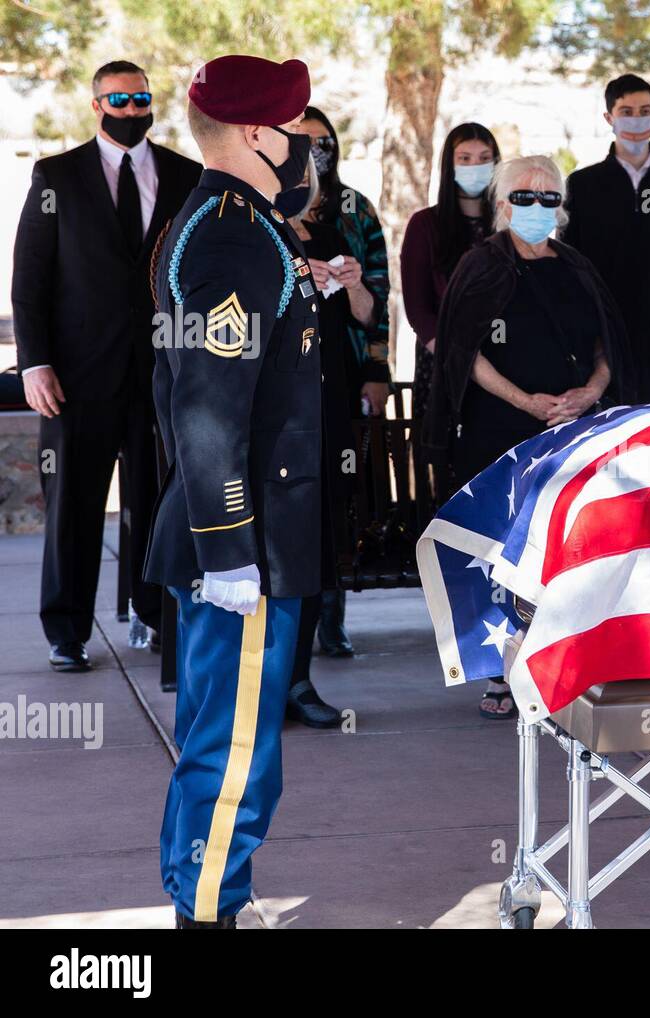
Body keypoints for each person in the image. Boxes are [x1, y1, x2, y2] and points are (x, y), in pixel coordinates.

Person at [148, 54, 322, 928]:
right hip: (241, 542)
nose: (302, 143)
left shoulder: (227, 222)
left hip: (240, 533)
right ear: (258, 133)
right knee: (235, 754)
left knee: (221, 742)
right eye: (293, 126)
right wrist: (229, 551)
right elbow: (208, 407)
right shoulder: (232, 233)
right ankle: (212, 909)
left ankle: (208, 894)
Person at [422, 155, 632, 719]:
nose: (537, 208)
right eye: (524, 197)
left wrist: (590, 391)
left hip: (571, 426)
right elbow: (466, 354)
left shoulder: (577, 267)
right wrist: (525, 402)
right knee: (503, 549)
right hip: (500, 427)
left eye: (548, 199)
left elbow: (608, 342)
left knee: (565, 547)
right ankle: (500, 671)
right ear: (501, 204)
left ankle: (564, 661)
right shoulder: (480, 266)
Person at [11, 60, 201, 673]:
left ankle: (153, 613)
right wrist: (34, 364)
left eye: (140, 97)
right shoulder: (55, 177)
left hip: (162, 374)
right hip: (75, 377)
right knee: (74, 503)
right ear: (97, 105)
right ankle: (66, 630)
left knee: (156, 498)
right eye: (117, 99)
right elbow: (29, 280)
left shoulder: (185, 175)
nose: (130, 109)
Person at [281, 160, 376, 727]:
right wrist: (297, 279)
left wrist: (354, 282)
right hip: (274, 413)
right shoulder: (252, 237)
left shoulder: (332, 236)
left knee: (318, 543)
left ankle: (298, 681)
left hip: (327, 404)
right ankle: (259, 684)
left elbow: (365, 317)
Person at [299, 106, 391, 653]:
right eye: (305, 143)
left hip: (345, 372)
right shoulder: (265, 214)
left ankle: (331, 617)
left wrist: (376, 369)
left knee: (341, 496)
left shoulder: (350, 215)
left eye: (324, 142)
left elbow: (375, 306)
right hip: (289, 382)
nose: (316, 152)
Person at [561, 74, 650, 402]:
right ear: (609, 118)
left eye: (645, 111)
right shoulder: (582, 186)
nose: (636, 120)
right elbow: (570, 270)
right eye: (626, 111)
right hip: (602, 349)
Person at [402, 123, 501, 422]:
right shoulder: (425, 225)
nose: (476, 166)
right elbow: (418, 310)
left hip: (506, 365)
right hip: (443, 363)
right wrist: (459, 360)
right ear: (449, 164)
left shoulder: (509, 224)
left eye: (485, 158)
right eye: (465, 159)